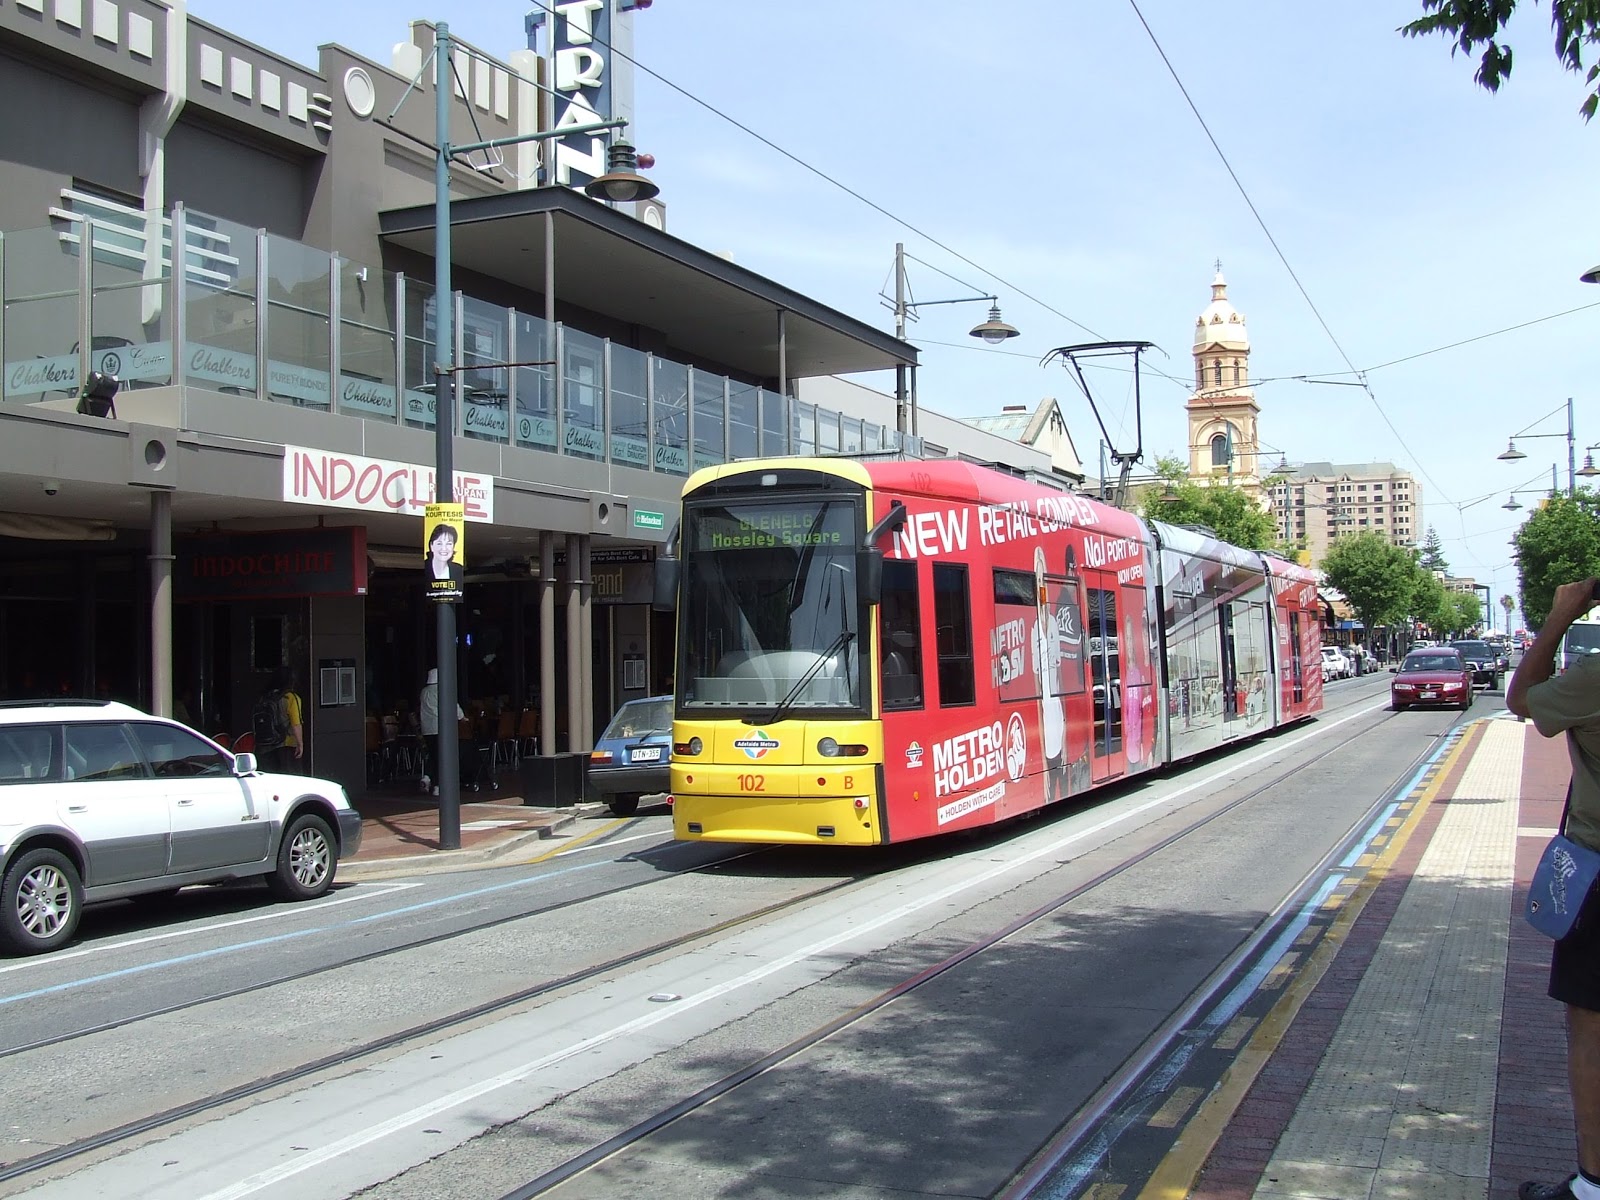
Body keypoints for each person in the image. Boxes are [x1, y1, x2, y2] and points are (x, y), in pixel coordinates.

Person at [1507, 577, 1600, 1200]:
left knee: (1590, 1026)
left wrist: (1561, 614)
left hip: (1599, 877)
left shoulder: (1594, 679)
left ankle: (1592, 1184)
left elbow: (1521, 698)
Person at [419, 667, 463, 797]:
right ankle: (438, 786)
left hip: (427, 729)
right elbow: (453, 705)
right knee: (441, 756)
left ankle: (427, 777)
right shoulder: (441, 690)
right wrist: (461, 717)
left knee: (432, 754)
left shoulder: (424, 692)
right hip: (441, 727)